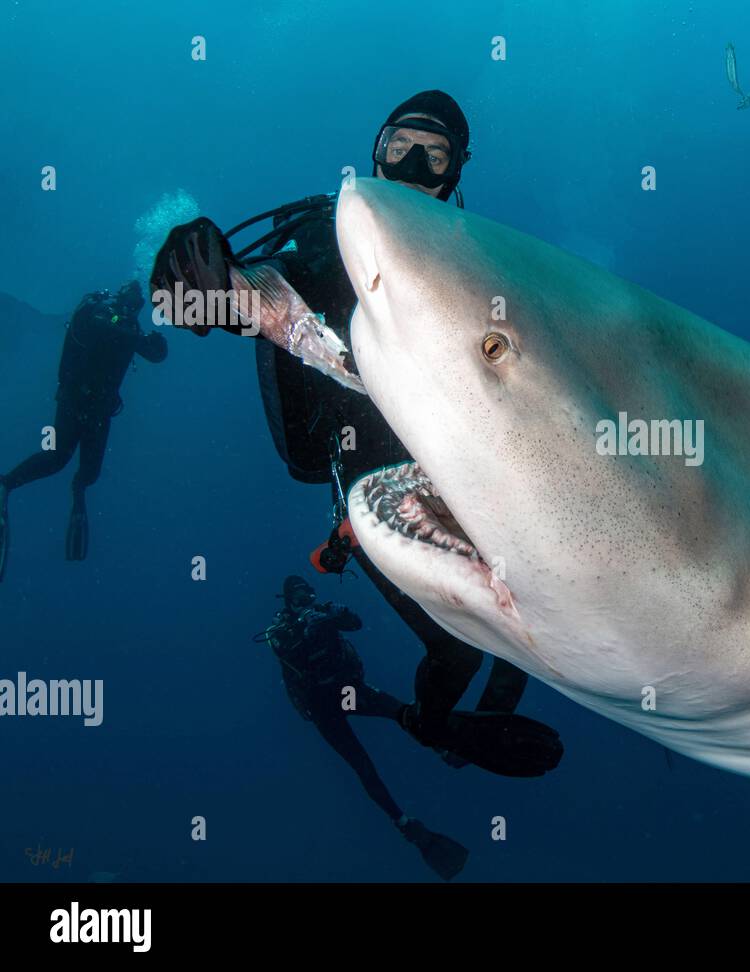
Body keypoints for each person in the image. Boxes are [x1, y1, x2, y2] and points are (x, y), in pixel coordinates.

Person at [150, 91, 563, 778]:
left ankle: (487, 714)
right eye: (401, 142)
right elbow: (266, 295)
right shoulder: (326, 234)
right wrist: (198, 289)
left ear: (455, 174)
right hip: (372, 491)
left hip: (466, 472)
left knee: (529, 625)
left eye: (434, 155)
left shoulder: (480, 263)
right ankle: (428, 727)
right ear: (375, 147)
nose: (410, 163)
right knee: (456, 651)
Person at [259, 575, 467, 880]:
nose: (306, 601)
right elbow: (287, 654)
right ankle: (405, 824)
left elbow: (355, 624)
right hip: (321, 707)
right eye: (299, 598)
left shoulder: (324, 613)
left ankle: (442, 746)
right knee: (362, 765)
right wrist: (305, 631)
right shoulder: (279, 630)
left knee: (399, 711)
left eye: (309, 594)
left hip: (346, 691)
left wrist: (337, 615)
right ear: (288, 602)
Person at [0, 280, 167, 579]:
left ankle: (75, 495)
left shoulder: (127, 325)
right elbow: (101, 329)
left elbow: (153, 355)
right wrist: (135, 336)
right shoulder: (99, 308)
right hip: (76, 400)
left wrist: (154, 344)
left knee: (89, 473)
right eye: (133, 295)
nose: (135, 301)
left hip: (99, 409)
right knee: (57, 458)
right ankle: (7, 483)